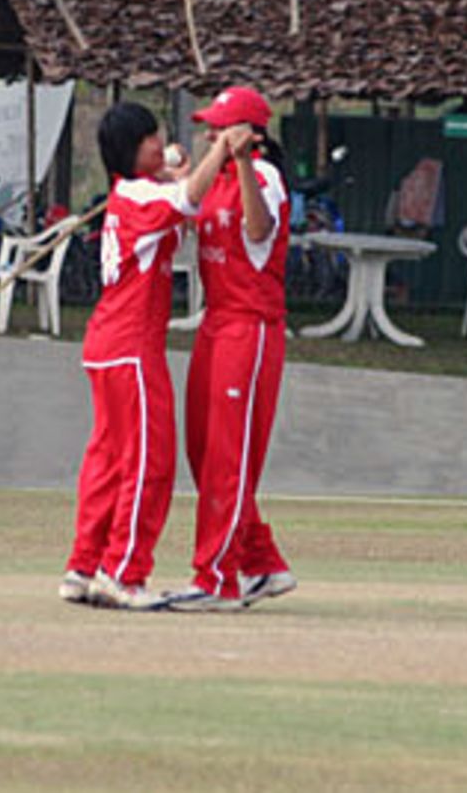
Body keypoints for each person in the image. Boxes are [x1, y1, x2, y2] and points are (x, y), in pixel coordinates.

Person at [60, 101, 247, 610]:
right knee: (151, 462)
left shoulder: (134, 193)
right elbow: (188, 201)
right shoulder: (139, 195)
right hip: (131, 348)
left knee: (108, 462)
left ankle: (84, 565)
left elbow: (179, 205)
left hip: (110, 346)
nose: (158, 143)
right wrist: (222, 148)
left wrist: (174, 173)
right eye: (150, 138)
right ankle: (123, 572)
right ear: (130, 148)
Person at [167, 86, 297, 611]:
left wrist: (240, 160)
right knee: (202, 449)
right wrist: (190, 171)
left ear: (248, 133)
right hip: (216, 321)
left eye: (219, 128)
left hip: (250, 325)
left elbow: (259, 229)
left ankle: (217, 578)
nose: (209, 135)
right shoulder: (216, 176)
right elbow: (187, 208)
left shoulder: (263, 176)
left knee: (229, 454)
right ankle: (262, 562)